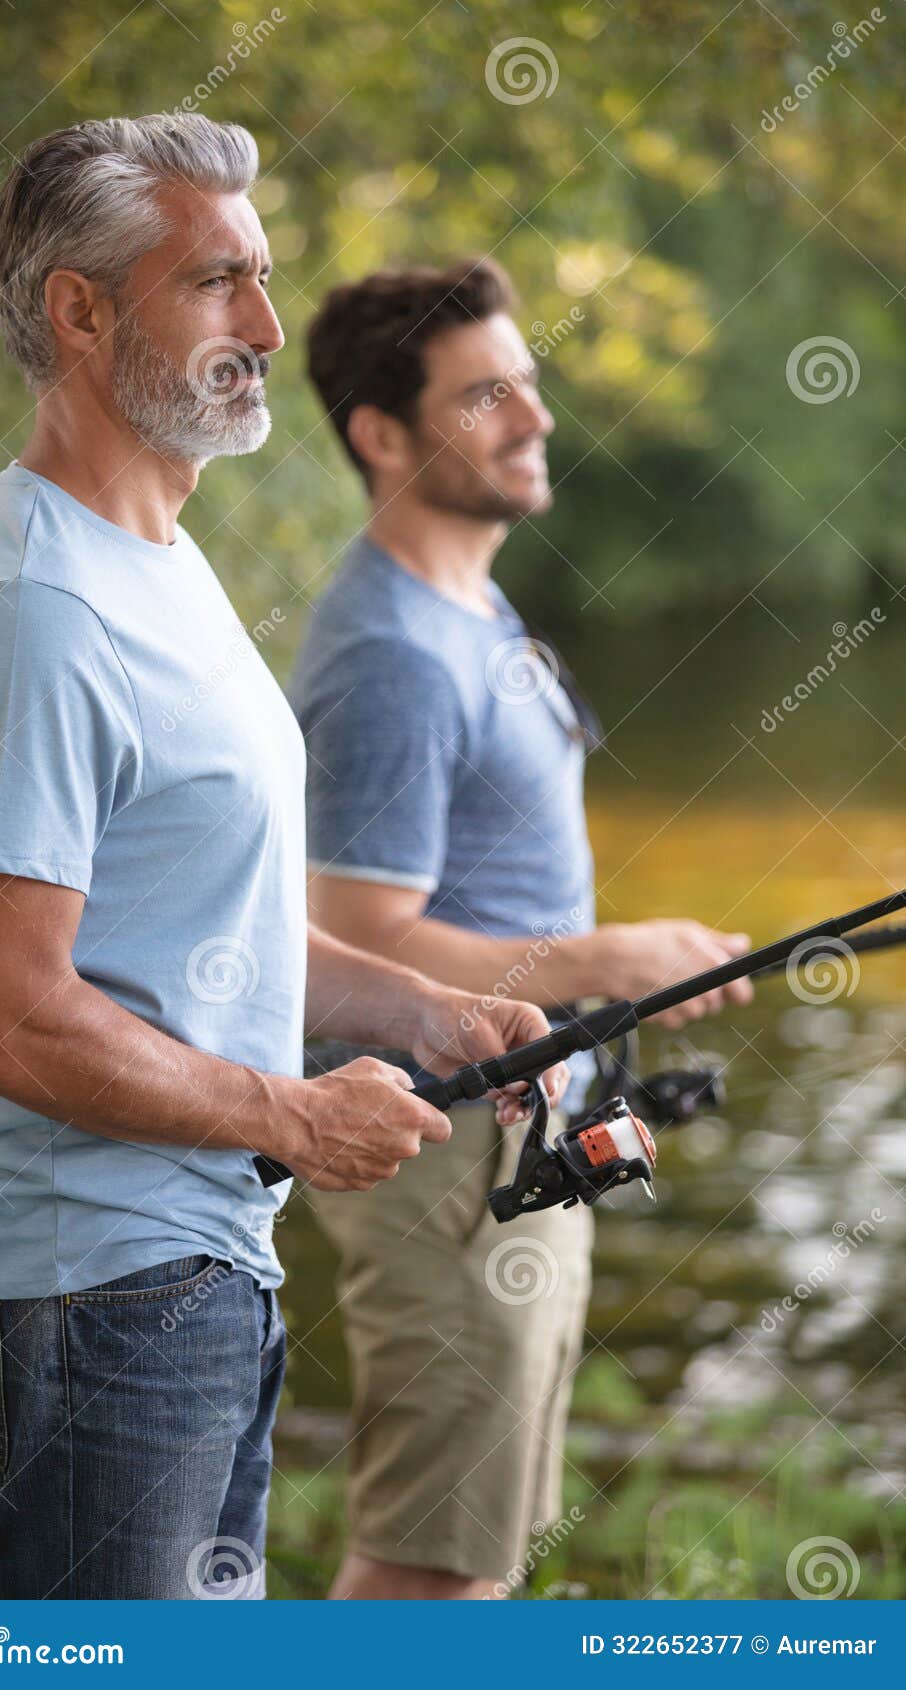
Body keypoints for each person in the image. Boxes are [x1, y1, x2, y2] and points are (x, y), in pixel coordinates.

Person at [0, 124, 569, 1601]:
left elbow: (205, 918)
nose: (260, 327)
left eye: (261, 280)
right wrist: (297, 1116)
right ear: (80, 310)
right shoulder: (41, 614)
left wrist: (422, 1013)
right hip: (81, 1276)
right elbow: (5, 1016)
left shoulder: (160, 561)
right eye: (215, 283)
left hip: (175, 1260)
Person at [289, 258, 754, 1599]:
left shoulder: (468, 606)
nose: (533, 416)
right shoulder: (388, 651)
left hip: (523, 1137)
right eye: (484, 394)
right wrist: (609, 961)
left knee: (480, 1555)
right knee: (428, 1566)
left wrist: (605, 986)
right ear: (382, 434)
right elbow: (348, 941)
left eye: (529, 385)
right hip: (444, 1155)